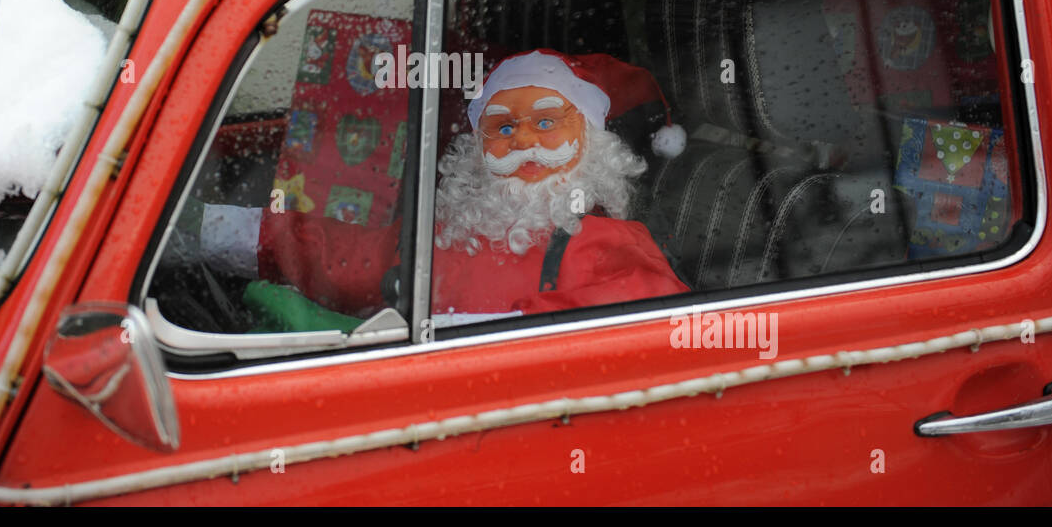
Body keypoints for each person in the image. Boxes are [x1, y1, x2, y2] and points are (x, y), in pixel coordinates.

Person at [200, 49, 690, 327]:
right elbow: (347, 258)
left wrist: (357, 336)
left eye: (546, 122)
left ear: (591, 142)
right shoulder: (450, 233)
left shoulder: (610, 247)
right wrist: (212, 230)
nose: (522, 140)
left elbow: (631, 328)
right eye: (501, 128)